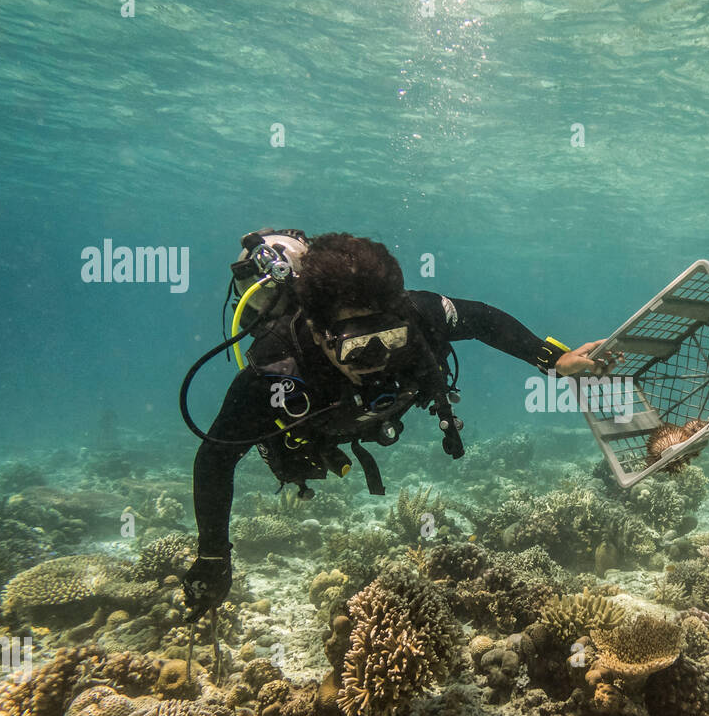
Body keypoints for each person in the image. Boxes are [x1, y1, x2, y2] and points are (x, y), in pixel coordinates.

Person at [181, 230, 616, 622]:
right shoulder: (276, 370)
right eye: (358, 348)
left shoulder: (420, 313)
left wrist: (553, 360)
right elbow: (215, 459)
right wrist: (213, 557)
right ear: (316, 330)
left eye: (389, 339)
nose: (379, 362)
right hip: (317, 429)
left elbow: (482, 318)